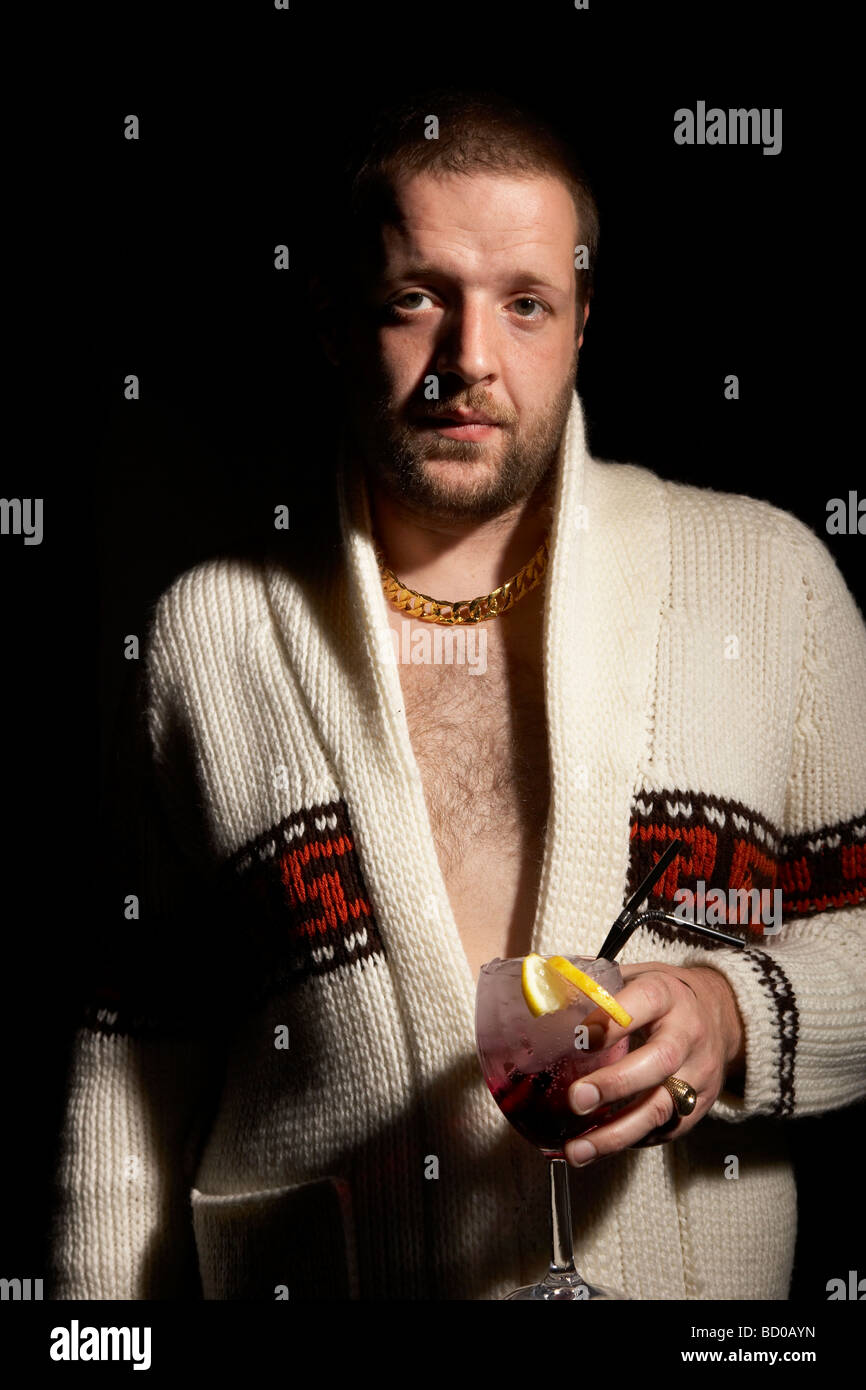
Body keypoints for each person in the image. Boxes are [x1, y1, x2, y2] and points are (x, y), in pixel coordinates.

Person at [50, 89, 866, 1301]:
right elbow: (134, 1060)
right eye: (417, 297)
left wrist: (731, 1008)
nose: (469, 360)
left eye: (524, 304)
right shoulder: (207, 635)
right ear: (333, 318)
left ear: (583, 320)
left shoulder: (769, 584)